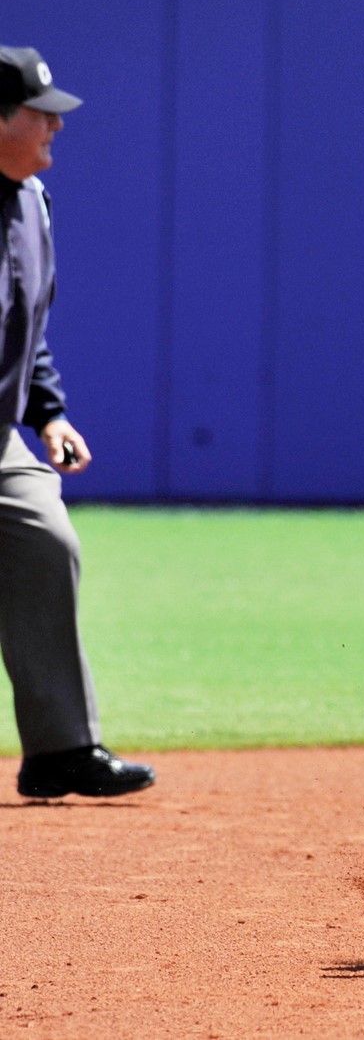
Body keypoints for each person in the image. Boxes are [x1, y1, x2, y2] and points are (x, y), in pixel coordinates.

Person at [1, 45, 155, 799]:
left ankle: (60, 748)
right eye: (41, 114)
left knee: (44, 536)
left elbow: (25, 330)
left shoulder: (31, 202)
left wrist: (50, 411)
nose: (54, 127)